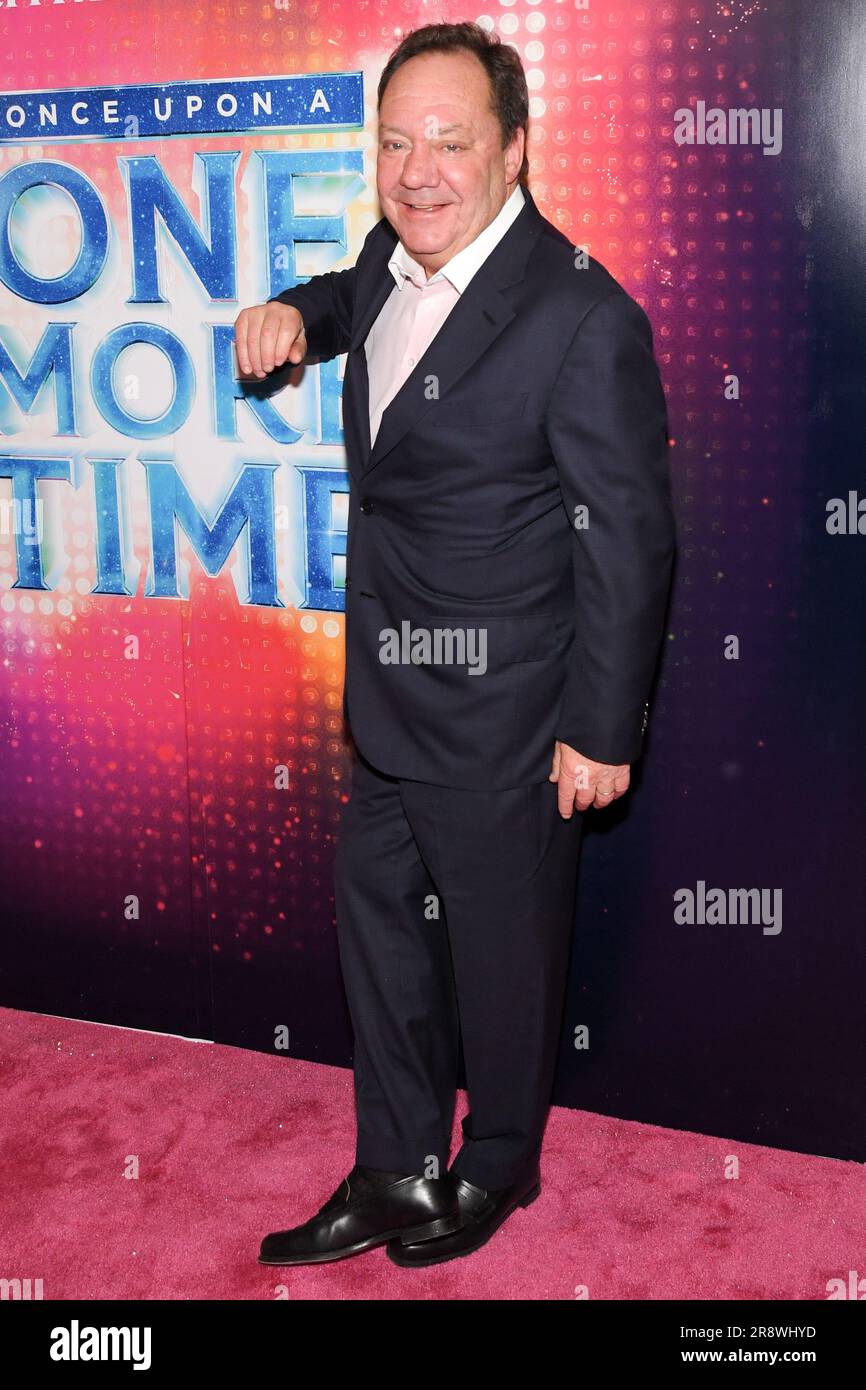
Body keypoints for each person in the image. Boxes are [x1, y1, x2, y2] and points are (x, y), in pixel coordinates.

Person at [235, 21, 676, 1268]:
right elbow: (360, 297)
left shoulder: (583, 319)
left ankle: (498, 1167)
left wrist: (602, 725)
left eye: (449, 142)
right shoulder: (391, 250)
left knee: (499, 958)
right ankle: (396, 1165)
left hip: (507, 715)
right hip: (385, 700)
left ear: (515, 150)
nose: (417, 170)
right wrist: (294, 312)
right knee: (378, 941)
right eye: (393, 143)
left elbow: (630, 543)